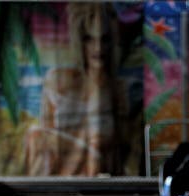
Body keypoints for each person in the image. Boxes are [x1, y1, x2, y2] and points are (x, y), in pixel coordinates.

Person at [25, 4, 127, 176]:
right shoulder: (57, 79)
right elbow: (45, 134)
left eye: (105, 39)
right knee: (34, 135)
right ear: (79, 40)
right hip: (59, 175)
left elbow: (123, 147)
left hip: (102, 174)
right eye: (89, 38)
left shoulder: (117, 89)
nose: (98, 48)